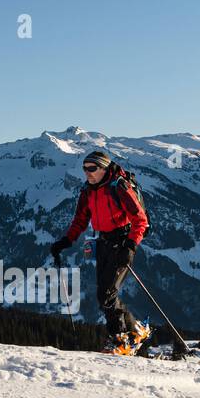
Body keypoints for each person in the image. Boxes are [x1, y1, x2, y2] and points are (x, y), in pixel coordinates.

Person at [49, 150, 150, 350]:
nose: (87, 172)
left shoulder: (119, 187)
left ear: (104, 168)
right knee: (103, 295)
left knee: (106, 294)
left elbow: (141, 221)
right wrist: (66, 241)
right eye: (85, 168)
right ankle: (135, 329)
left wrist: (130, 247)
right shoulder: (88, 191)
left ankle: (120, 339)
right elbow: (80, 220)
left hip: (122, 243)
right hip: (103, 242)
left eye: (92, 168)